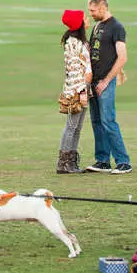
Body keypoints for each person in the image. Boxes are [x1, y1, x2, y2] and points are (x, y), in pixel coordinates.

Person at [85, 0, 131, 174]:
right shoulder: (96, 26)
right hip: (93, 82)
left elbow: (123, 57)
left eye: (93, 10)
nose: (91, 13)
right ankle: (102, 161)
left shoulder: (116, 27)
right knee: (96, 122)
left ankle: (123, 162)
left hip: (105, 82)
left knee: (108, 121)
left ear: (103, 7)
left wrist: (106, 80)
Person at [56, 9, 91, 174]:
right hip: (77, 90)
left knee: (77, 127)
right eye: (85, 18)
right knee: (71, 126)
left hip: (81, 88)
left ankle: (70, 161)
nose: (88, 19)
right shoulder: (74, 42)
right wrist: (82, 91)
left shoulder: (78, 41)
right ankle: (64, 163)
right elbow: (75, 69)